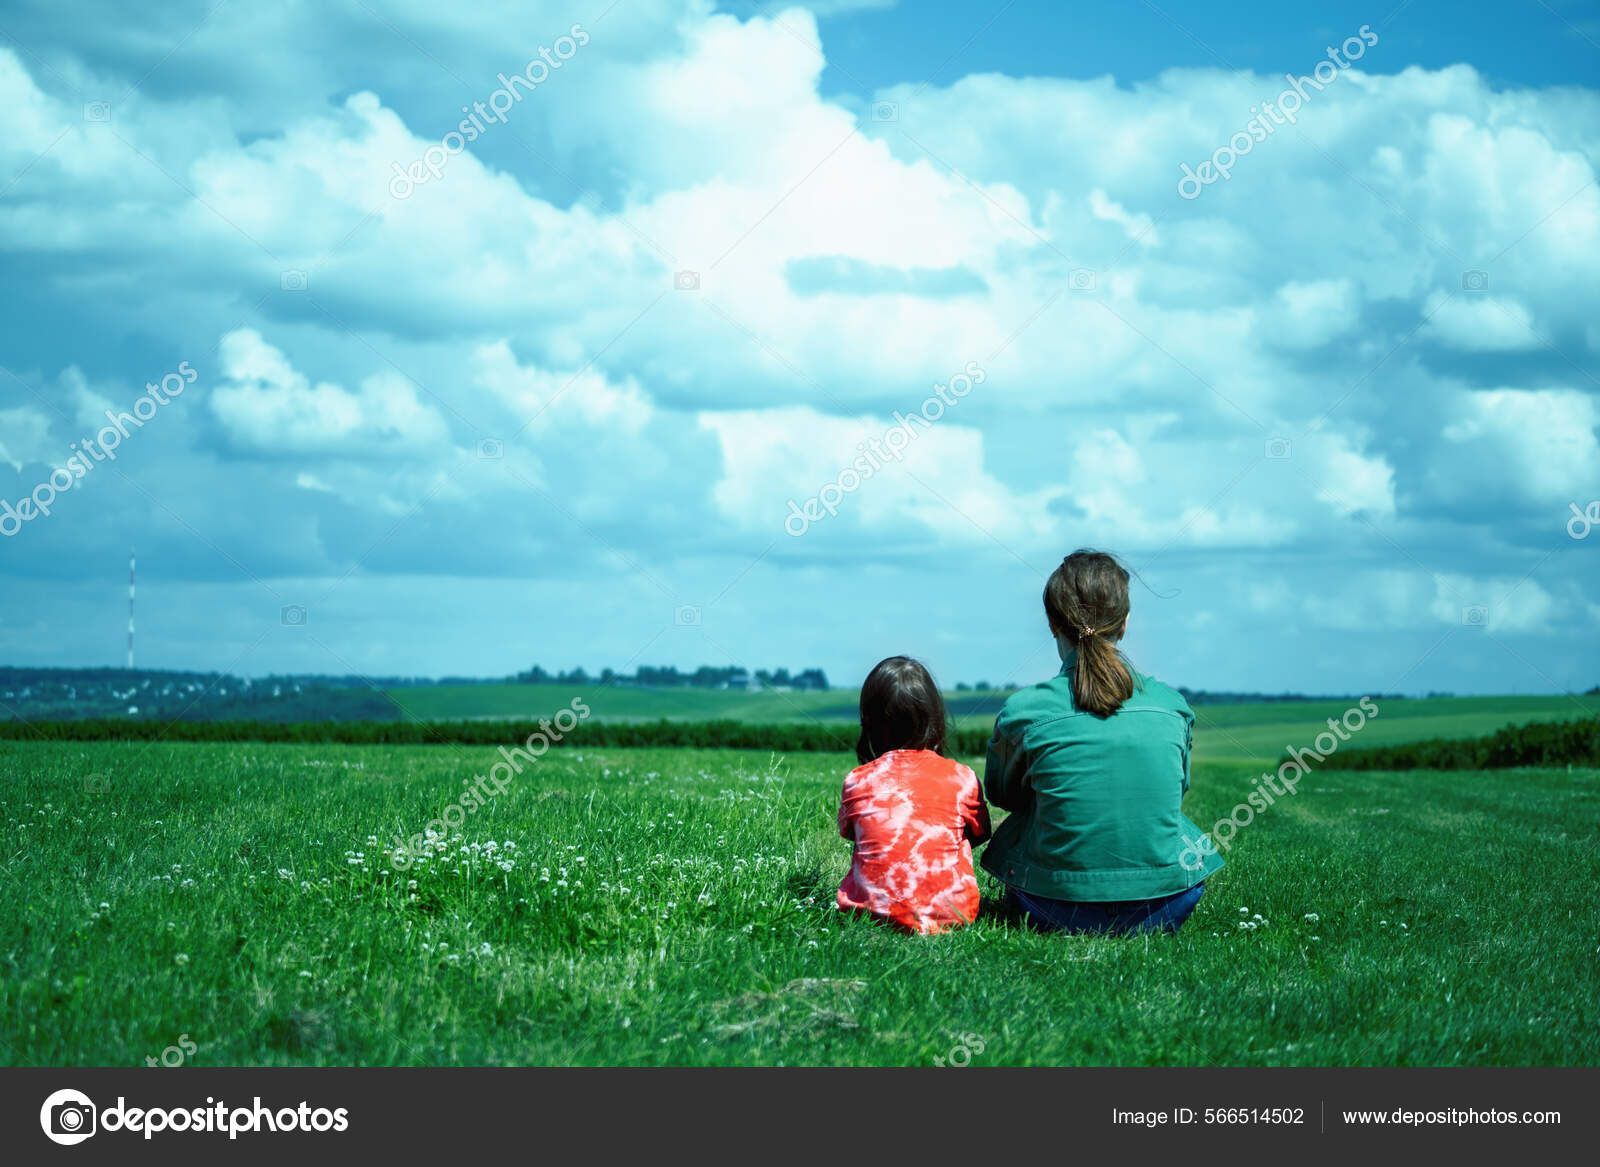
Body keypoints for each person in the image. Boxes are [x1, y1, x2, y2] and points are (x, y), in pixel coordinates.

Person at [980, 549, 1222, 934]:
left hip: (1051, 905)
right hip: (1166, 904)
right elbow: (1178, 791)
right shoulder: (1173, 706)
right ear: (1124, 623)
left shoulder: (1023, 711)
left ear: (1052, 623)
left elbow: (1003, 796)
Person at [837, 656, 991, 934]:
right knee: (960, 833)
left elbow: (849, 833)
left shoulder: (856, 780)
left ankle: (881, 897)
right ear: (934, 717)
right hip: (954, 916)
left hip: (865, 917)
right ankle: (938, 898)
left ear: (869, 722)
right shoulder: (963, 777)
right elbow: (981, 832)